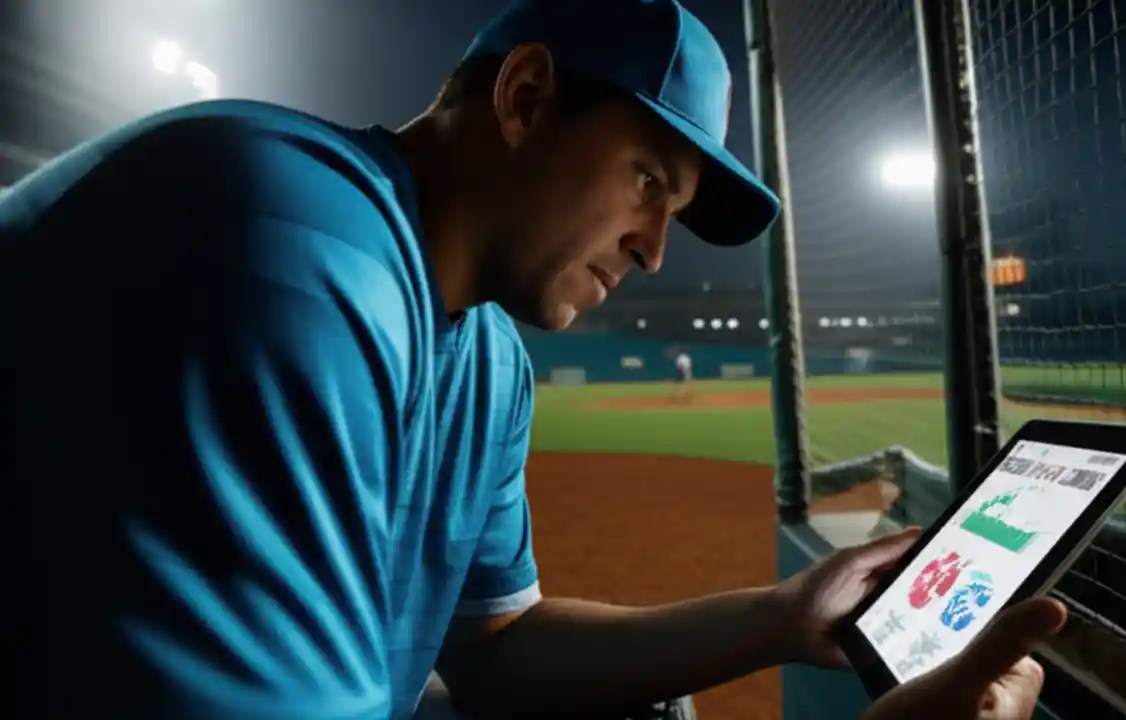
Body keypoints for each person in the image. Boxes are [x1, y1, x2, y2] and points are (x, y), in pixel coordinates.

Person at [0, 0, 1067, 717]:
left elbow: (497, 645)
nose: (654, 246)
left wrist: (784, 619)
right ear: (521, 98)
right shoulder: (281, 239)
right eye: (649, 178)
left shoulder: (485, 355)